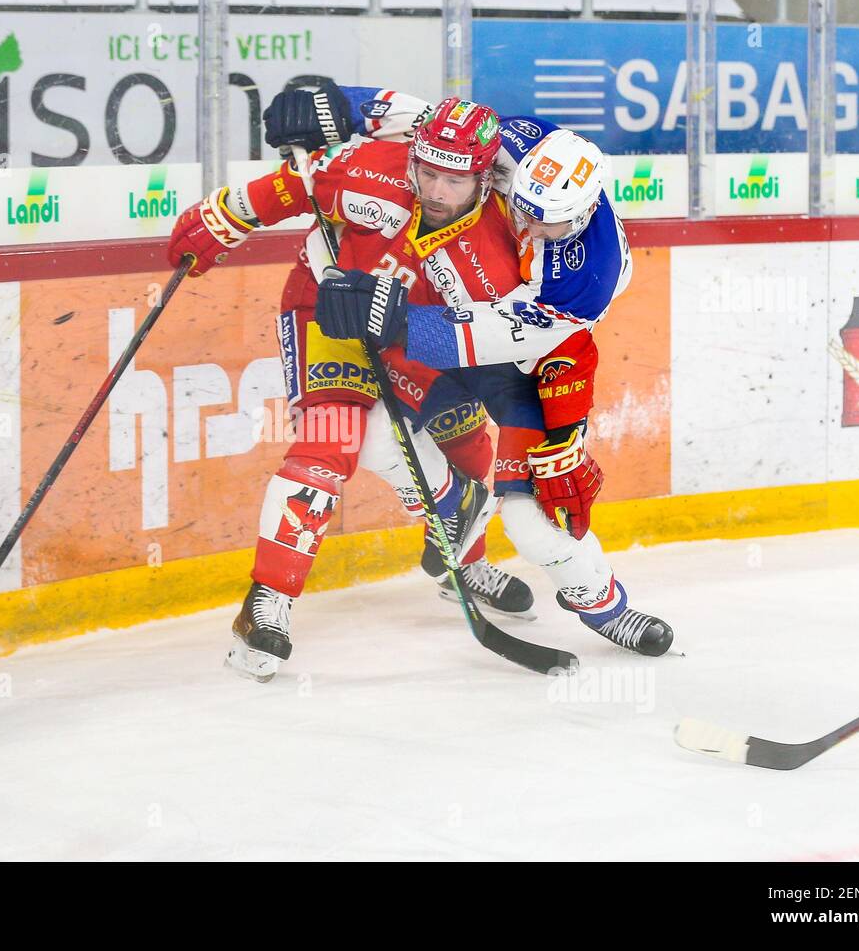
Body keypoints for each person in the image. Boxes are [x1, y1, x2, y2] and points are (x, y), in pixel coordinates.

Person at [263, 83, 675, 658]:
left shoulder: (586, 279)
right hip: (451, 318)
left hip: (533, 368)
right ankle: (454, 514)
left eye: (547, 224)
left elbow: (487, 336)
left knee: (533, 519)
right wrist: (339, 104)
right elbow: (436, 122)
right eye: (522, 208)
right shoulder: (524, 146)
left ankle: (602, 603)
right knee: (379, 435)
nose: (527, 226)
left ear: (582, 213)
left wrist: (398, 319)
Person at [166, 99, 533, 683]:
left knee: (469, 447)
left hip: (418, 336)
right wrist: (226, 218)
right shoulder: (372, 168)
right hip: (326, 310)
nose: (436, 190)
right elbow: (302, 180)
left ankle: (463, 560)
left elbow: (485, 340)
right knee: (328, 445)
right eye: (428, 171)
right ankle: (268, 606)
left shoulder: (496, 255)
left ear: (484, 177)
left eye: (455, 178)